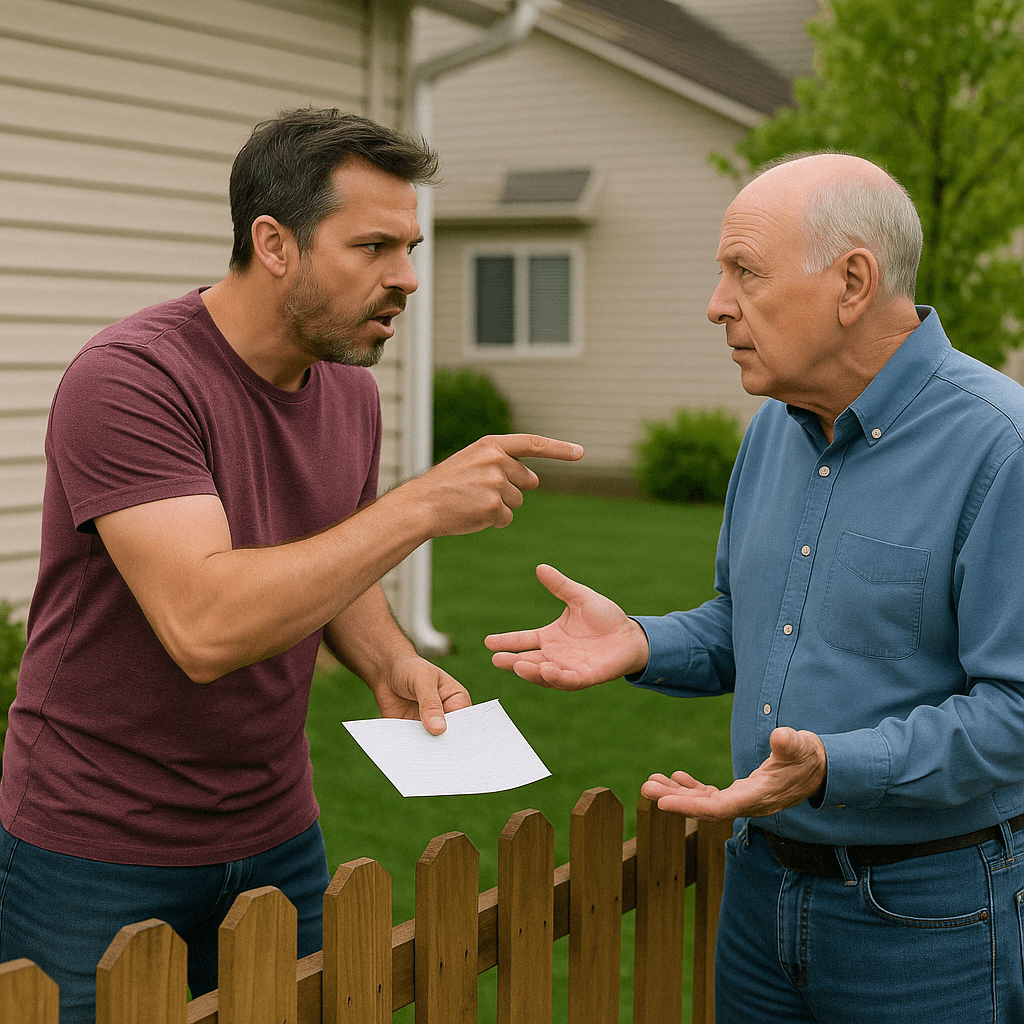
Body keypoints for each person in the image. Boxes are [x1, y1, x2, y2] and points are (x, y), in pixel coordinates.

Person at [0, 107, 582, 1021]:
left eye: (411, 247)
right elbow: (204, 626)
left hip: (277, 835)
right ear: (274, 243)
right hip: (96, 846)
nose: (407, 279)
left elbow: (332, 560)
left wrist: (390, 661)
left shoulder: (347, 387)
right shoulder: (130, 381)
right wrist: (419, 506)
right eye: (374, 247)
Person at [485, 153, 1024, 1022]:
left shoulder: (1002, 449)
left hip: (928, 919)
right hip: (760, 893)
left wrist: (831, 767)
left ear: (853, 282)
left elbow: (1017, 712)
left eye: (745, 271)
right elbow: (755, 625)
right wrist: (644, 642)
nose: (717, 303)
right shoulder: (774, 432)